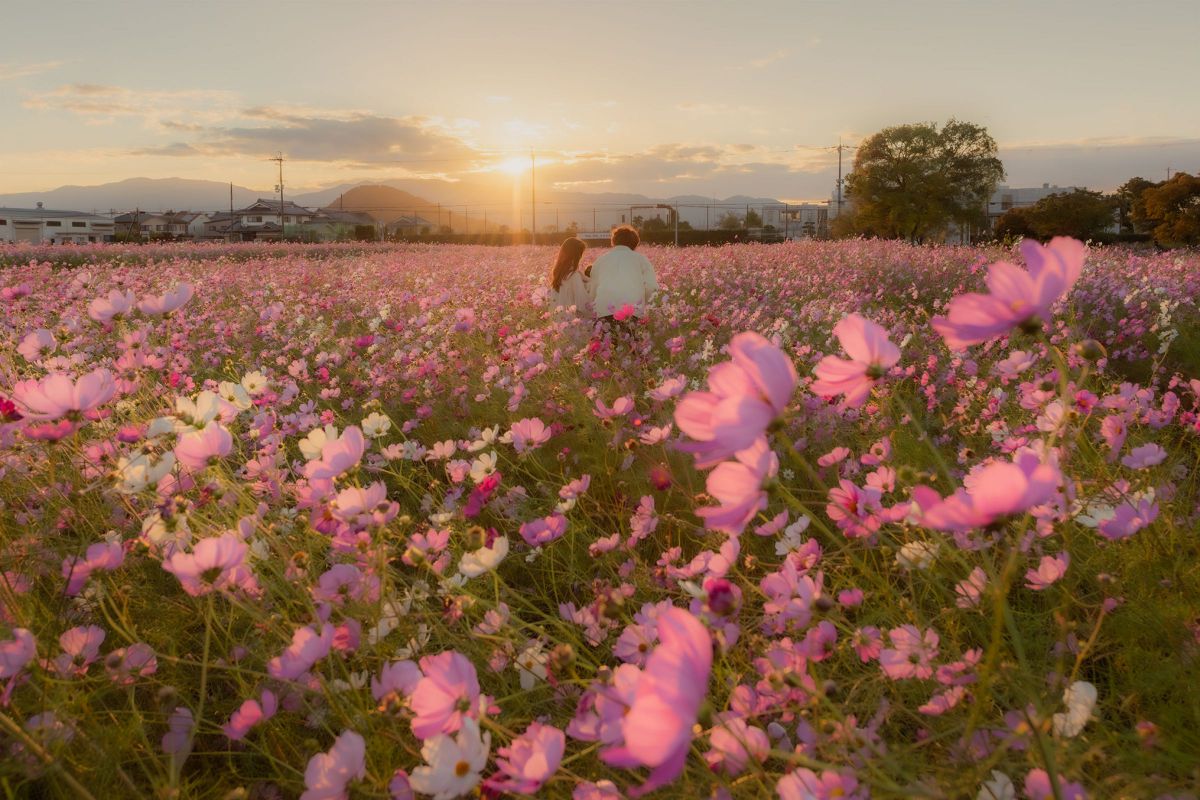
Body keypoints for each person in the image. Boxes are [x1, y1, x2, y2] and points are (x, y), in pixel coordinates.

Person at [586, 225, 659, 320]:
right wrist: (646, 306)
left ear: (613, 241)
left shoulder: (600, 260)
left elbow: (593, 290)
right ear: (635, 244)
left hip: (604, 311)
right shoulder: (641, 260)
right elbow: (651, 287)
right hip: (633, 312)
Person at [548, 236, 592, 316]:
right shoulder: (574, 276)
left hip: (558, 320)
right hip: (571, 321)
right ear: (577, 255)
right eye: (581, 253)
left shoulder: (559, 274)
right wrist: (589, 280)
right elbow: (584, 305)